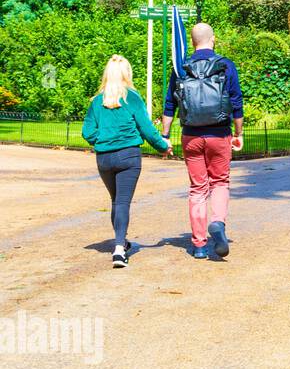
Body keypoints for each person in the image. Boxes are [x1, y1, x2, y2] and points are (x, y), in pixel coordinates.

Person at [161, 23, 244, 260]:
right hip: (219, 134)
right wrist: (238, 134)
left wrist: (165, 136)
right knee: (219, 182)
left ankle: (198, 245)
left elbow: (170, 104)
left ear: (192, 40)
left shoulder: (181, 67)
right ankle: (217, 223)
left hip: (191, 135)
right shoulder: (226, 65)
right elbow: (236, 103)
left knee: (198, 188)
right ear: (213, 39)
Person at [81, 55, 172, 268]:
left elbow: (87, 131)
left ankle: (121, 242)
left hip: (104, 158)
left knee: (116, 201)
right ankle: (120, 249)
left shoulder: (97, 101)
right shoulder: (131, 97)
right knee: (122, 202)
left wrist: (102, 140)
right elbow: (147, 129)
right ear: (126, 73)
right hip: (128, 156)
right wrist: (163, 146)